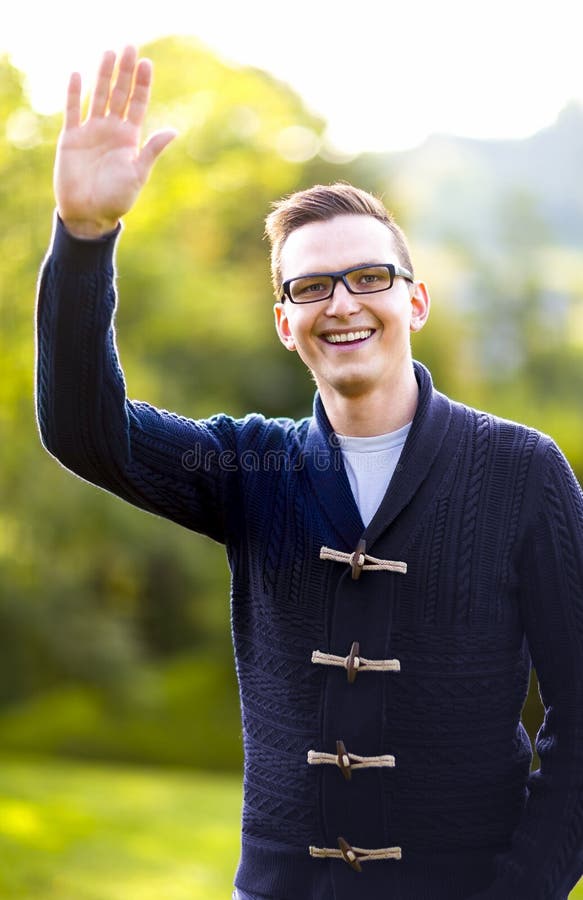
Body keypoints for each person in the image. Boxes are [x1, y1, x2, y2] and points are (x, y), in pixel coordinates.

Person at [35, 46, 583, 900]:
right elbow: (83, 428)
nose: (343, 303)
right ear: (286, 322)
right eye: (313, 286)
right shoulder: (250, 466)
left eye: (370, 277)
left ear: (415, 300)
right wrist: (84, 239)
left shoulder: (522, 471)